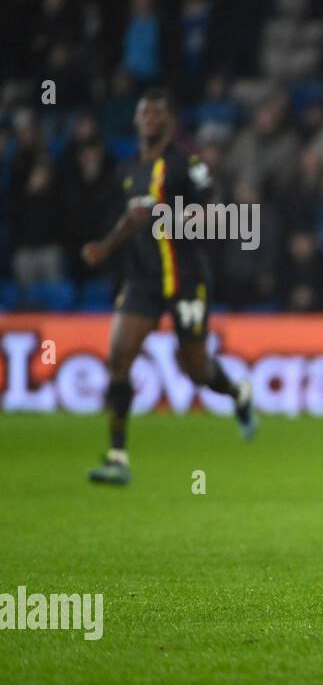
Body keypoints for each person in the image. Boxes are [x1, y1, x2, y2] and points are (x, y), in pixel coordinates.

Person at [81, 90, 255, 485]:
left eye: (156, 112)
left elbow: (217, 217)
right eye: (142, 111)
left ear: (170, 122)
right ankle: (117, 457)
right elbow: (131, 221)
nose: (147, 118)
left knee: (195, 369)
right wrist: (105, 248)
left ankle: (238, 393)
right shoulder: (128, 170)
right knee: (119, 357)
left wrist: (165, 215)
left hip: (186, 279)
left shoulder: (186, 165)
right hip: (143, 278)